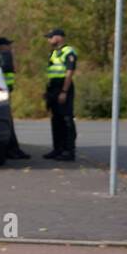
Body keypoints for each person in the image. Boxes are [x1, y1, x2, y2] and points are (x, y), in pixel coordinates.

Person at [43, 28, 78, 161]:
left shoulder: (69, 52)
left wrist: (64, 91)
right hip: (53, 88)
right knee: (55, 120)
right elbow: (51, 73)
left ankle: (69, 151)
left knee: (66, 120)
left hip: (64, 87)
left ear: (58, 37)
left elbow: (69, 73)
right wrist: (48, 92)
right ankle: (57, 149)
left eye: (50, 37)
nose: (49, 40)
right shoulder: (53, 53)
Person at [0, 38, 30, 160]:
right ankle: (12, 149)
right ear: (1, 46)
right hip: (4, 92)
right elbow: (7, 68)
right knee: (8, 122)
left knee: (8, 121)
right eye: (7, 45)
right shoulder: (5, 55)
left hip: (3, 91)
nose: (9, 47)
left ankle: (12, 149)